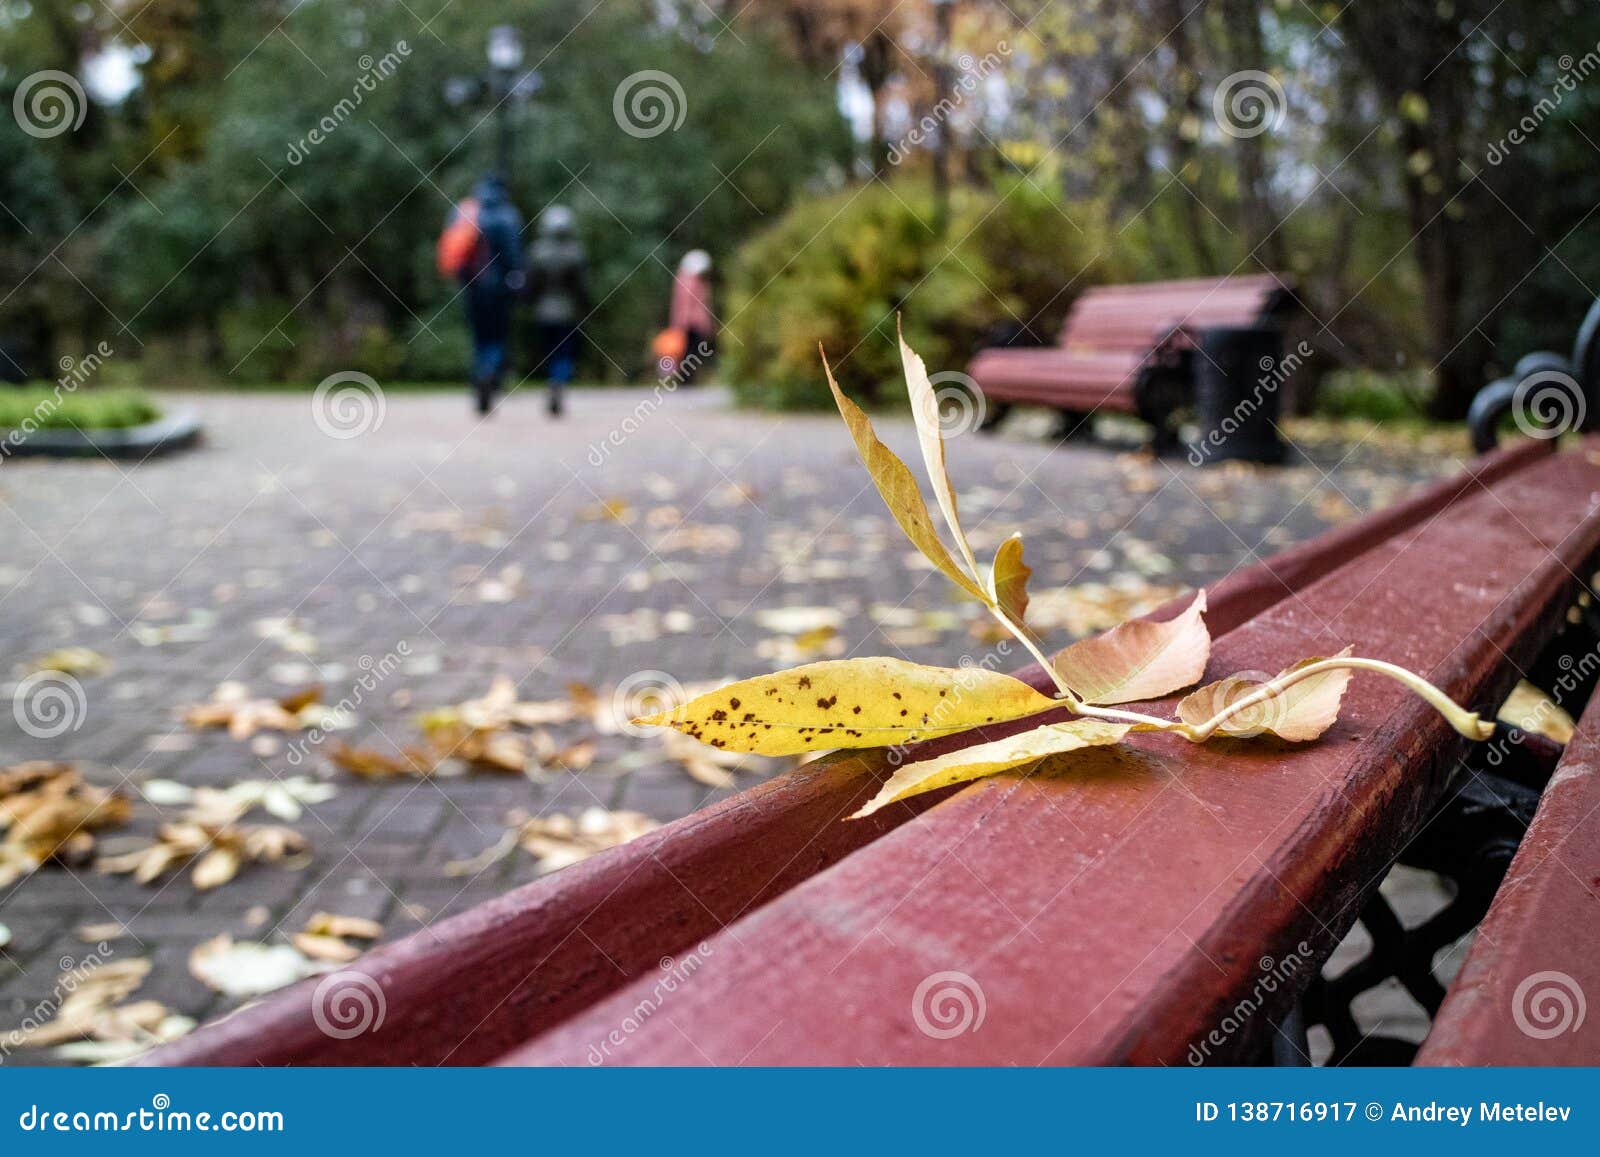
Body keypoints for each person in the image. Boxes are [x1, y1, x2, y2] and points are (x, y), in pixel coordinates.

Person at [448, 174, 524, 415]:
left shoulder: (465, 212)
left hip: (472, 286)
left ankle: (479, 376)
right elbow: (513, 255)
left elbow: (456, 254)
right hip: (499, 287)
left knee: (479, 336)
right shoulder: (507, 215)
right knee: (497, 336)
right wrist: (517, 281)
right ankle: (490, 372)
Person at [525, 205, 589, 417]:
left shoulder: (537, 251)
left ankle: (553, 381)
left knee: (550, 352)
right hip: (567, 313)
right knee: (564, 353)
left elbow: (530, 285)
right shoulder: (575, 253)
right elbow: (582, 287)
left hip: (543, 312)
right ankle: (558, 382)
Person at [669, 249, 715, 384]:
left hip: (689, 323)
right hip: (692, 324)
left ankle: (686, 379)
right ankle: (686, 380)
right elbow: (688, 305)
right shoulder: (691, 282)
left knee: (689, 352)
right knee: (690, 352)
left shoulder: (684, 280)